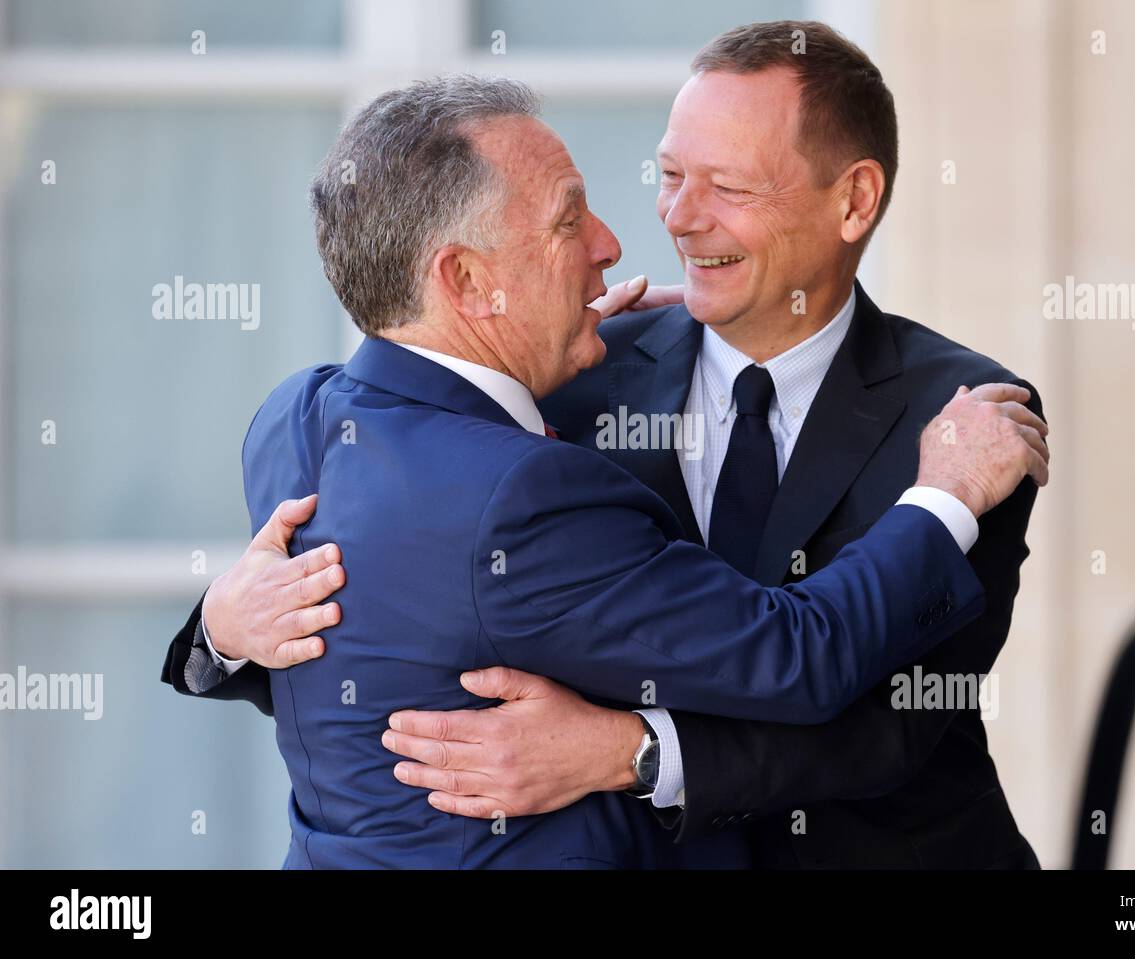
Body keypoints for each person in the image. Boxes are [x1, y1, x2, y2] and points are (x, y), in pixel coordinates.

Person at [165, 22, 1050, 870]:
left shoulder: (965, 425)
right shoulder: (569, 376)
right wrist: (224, 628)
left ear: (854, 199)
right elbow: (390, 628)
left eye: (729, 189)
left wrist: (627, 752)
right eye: (669, 174)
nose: (676, 218)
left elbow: (892, 719)